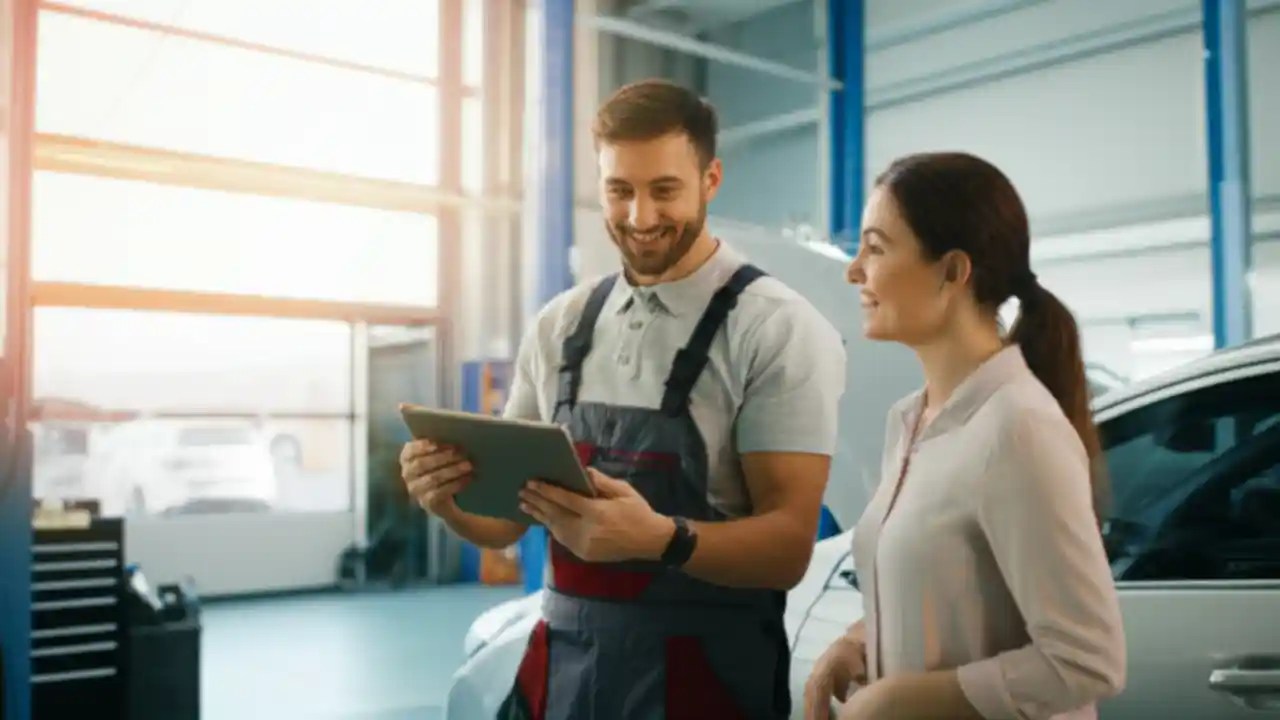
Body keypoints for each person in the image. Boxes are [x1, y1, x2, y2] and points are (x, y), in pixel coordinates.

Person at [401, 78, 847, 719]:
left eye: (664, 190)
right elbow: (506, 520)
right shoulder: (561, 325)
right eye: (620, 190)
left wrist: (662, 539)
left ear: (710, 179)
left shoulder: (776, 328)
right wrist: (448, 500)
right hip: (562, 676)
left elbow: (787, 549)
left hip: (703, 687)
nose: (640, 217)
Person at [803, 153, 1126, 720]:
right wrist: (857, 644)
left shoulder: (1017, 429)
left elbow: (1087, 660)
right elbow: (944, 594)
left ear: (952, 271)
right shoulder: (911, 422)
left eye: (875, 248)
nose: (854, 270)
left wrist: (899, 700)